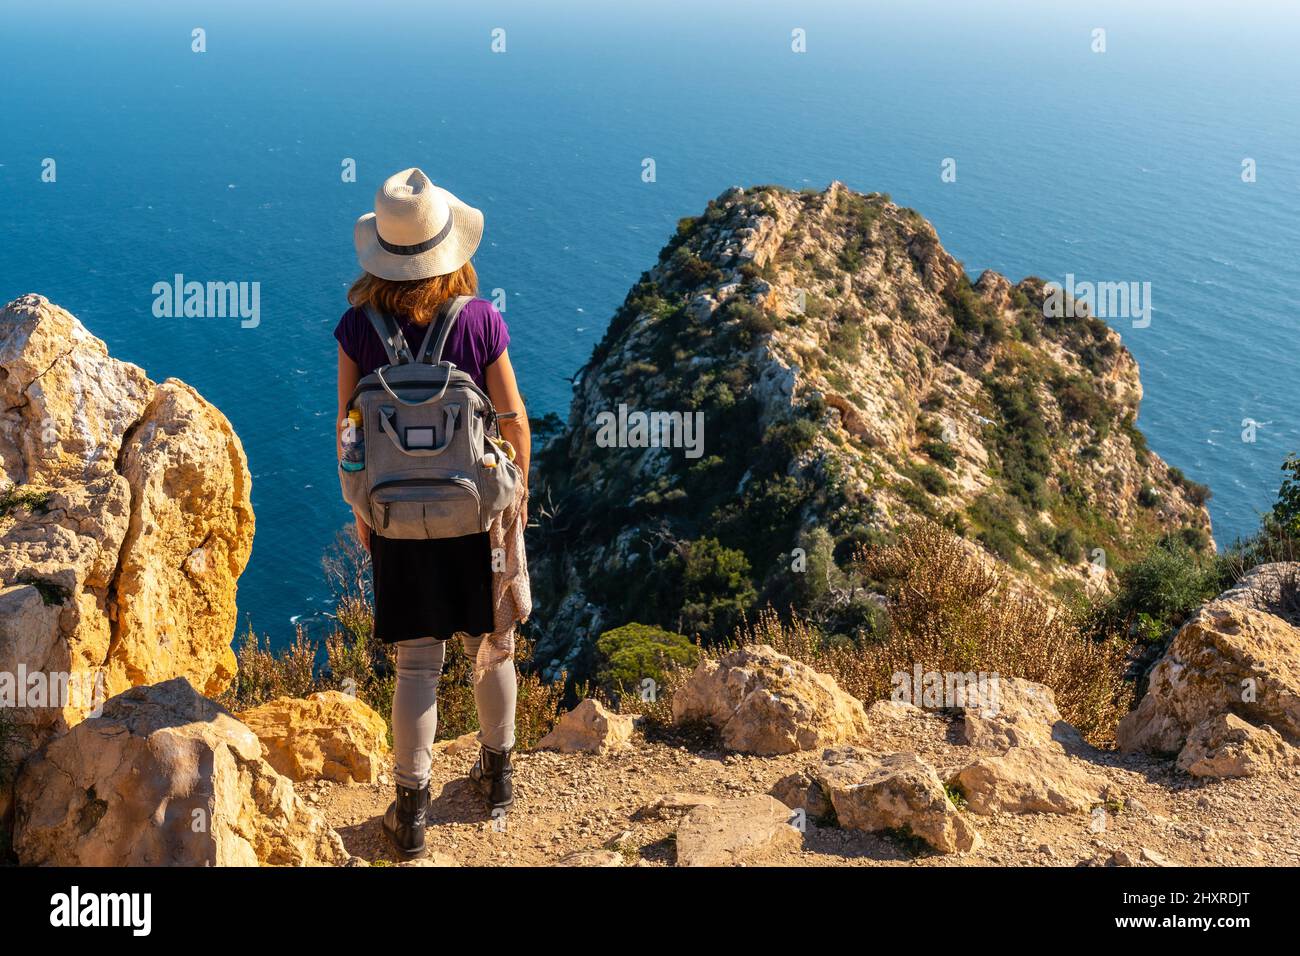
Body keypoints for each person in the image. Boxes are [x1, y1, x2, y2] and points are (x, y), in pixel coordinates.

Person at [334, 168, 530, 858]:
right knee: (492, 647)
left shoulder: (358, 327)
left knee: (417, 665)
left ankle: (411, 812)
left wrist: (362, 510)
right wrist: (517, 501)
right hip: (478, 515)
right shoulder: (480, 319)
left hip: (397, 516)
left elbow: (349, 430)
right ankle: (498, 777)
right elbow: (510, 418)